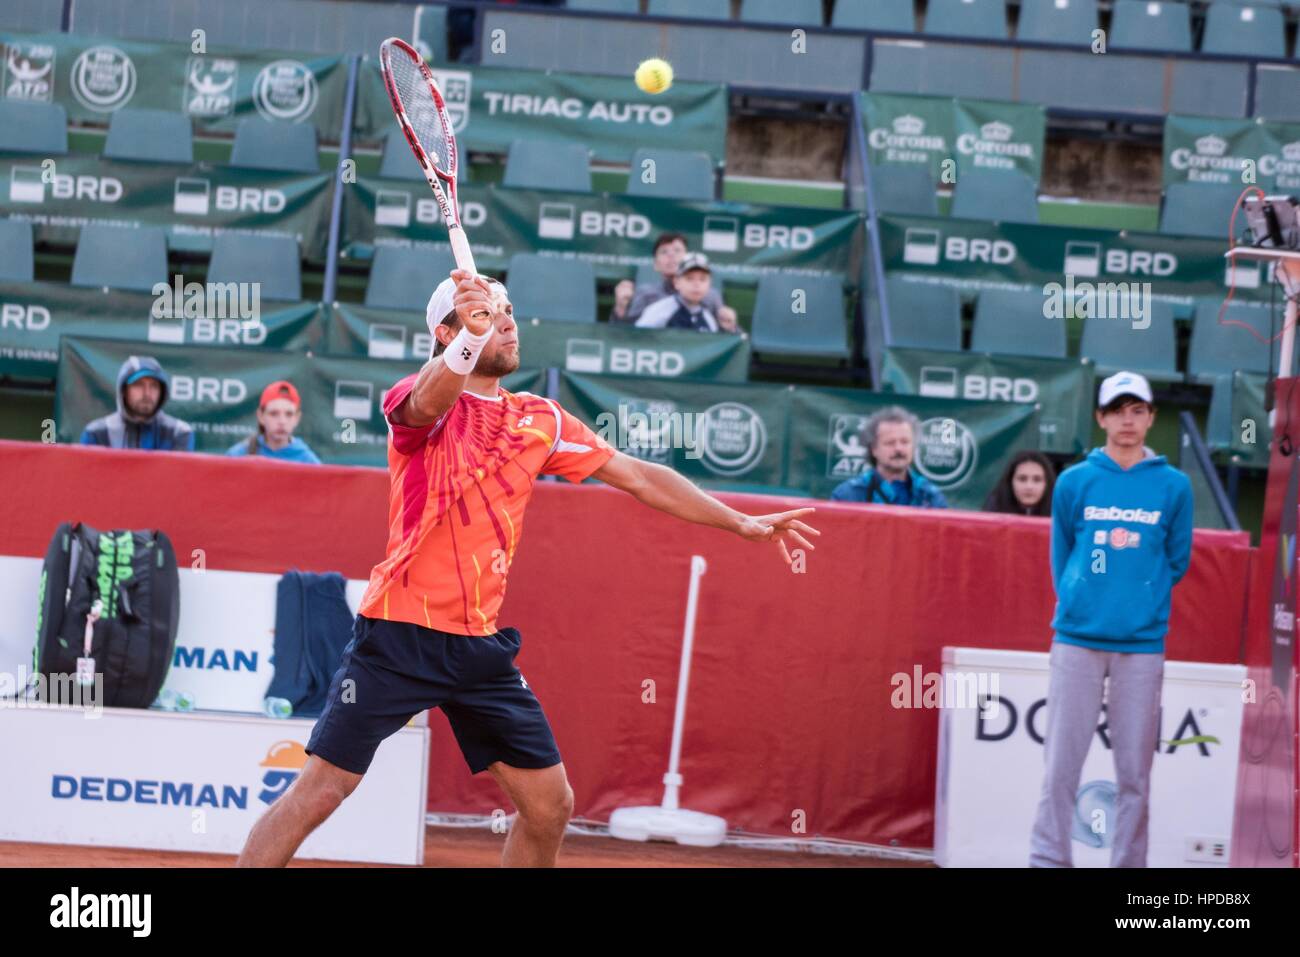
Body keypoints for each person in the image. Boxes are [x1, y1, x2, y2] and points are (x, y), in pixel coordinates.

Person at [236, 267, 820, 868]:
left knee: (549, 806)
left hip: (478, 648)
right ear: (447, 332)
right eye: (489, 315)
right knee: (321, 791)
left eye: (508, 310)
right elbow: (427, 400)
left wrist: (740, 522)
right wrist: (470, 339)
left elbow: (639, 476)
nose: (507, 322)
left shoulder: (540, 419)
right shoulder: (421, 401)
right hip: (398, 635)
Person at [1028, 371, 1193, 868]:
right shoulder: (1074, 481)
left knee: (1135, 773)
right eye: (1118, 410)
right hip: (1076, 640)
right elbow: (1062, 555)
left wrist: (1140, 600)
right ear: (1100, 418)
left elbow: (1176, 560)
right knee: (1061, 765)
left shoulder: (1174, 486)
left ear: (1151, 418)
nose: (1128, 420)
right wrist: (1081, 599)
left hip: (1141, 646)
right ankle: (1048, 860)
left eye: (1137, 410)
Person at [829, 406, 948, 508]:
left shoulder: (930, 497)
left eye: (905, 442)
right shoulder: (848, 495)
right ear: (873, 449)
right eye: (890, 443)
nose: (898, 448)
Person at [79, 355, 195, 451]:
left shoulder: (179, 432)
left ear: (162, 392)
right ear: (123, 391)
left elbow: (178, 473)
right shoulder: (97, 433)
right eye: (138, 385)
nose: (147, 393)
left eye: (154, 386)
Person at [625, 232, 725, 323]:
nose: (671, 255)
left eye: (677, 250)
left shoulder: (711, 296)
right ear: (656, 264)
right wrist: (621, 308)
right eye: (664, 252)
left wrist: (729, 325)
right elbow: (631, 332)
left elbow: (724, 332)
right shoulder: (646, 294)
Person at [226, 380, 321, 464]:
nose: (282, 421)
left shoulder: (308, 461)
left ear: (297, 418)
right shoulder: (237, 456)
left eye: (289, 414)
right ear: (261, 416)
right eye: (274, 413)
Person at [634, 253, 721, 332]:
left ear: (709, 284)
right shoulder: (659, 312)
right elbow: (638, 337)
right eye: (689, 278)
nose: (696, 284)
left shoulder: (708, 319)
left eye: (702, 279)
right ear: (676, 282)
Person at [983, 450, 1055, 516]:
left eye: (1037, 480)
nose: (1029, 486)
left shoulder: (1058, 513)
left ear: (1047, 483)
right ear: (1010, 482)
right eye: (1022, 479)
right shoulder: (993, 509)